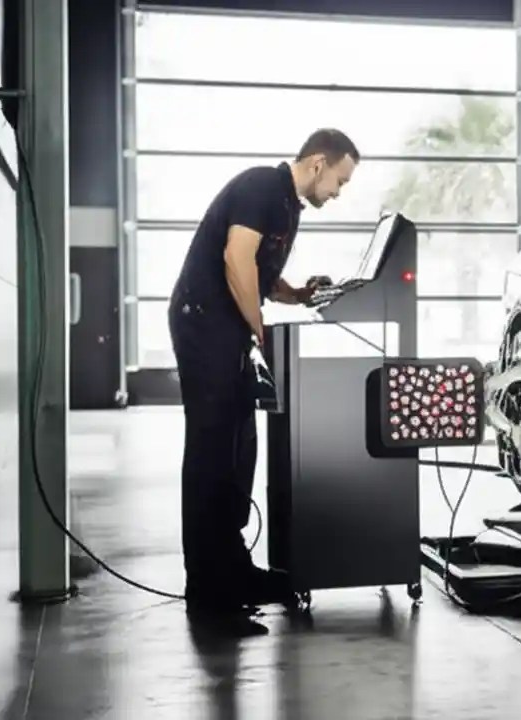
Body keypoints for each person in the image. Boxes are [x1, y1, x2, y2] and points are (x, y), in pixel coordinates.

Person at [167, 128, 360, 619]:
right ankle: (208, 592)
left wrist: (294, 294)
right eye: (339, 180)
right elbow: (236, 258)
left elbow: (259, 269)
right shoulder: (261, 187)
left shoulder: (288, 206)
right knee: (212, 454)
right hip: (204, 324)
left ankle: (234, 569)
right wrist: (258, 327)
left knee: (239, 450)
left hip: (226, 330)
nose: (338, 193)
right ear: (318, 162)